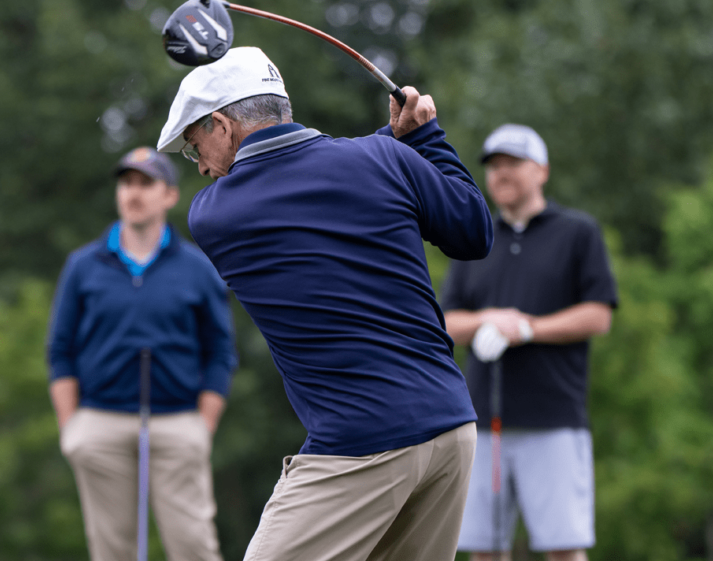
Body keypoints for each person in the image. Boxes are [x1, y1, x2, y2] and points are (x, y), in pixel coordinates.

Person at [156, 47, 494, 561]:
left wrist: (395, 141)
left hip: (361, 445)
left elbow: (315, 178)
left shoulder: (216, 215)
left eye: (194, 145)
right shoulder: (387, 161)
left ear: (222, 126)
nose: (200, 166)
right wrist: (424, 139)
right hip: (452, 428)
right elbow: (474, 232)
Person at [46, 146, 237, 561]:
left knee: (193, 546)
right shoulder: (84, 265)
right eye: (126, 183)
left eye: (146, 184)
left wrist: (202, 426)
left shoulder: (197, 268)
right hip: (99, 424)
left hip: (177, 422)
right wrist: (71, 429)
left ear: (169, 195)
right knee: (112, 550)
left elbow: (220, 351)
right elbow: (60, 349)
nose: (133, 193)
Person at [440, 124, 619, 561]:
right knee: (484, 550)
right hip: (481, 423)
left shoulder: (577, 232)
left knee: (563, 548)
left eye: (513, 163)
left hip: (554, 420)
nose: (502, 173)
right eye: (494, 166)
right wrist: (488, 319)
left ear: (542, 171)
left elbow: (599, 314)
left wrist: (527, 329)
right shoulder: (475, 237)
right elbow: (446, 322)